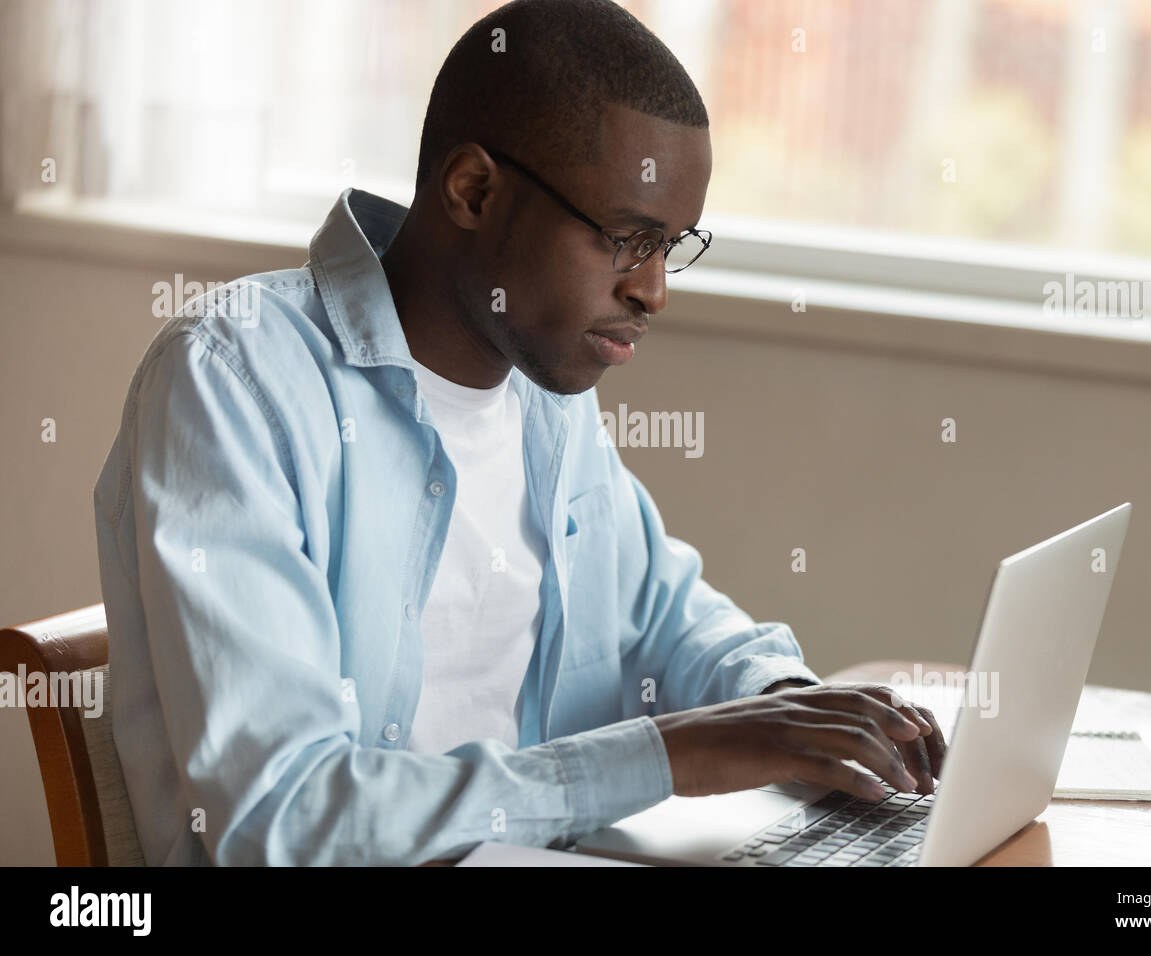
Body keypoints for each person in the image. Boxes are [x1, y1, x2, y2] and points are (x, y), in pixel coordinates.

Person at [93, 0, 944, 866]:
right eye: (625, 238)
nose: (654, 292)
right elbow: (280, 816)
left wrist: (791, 709)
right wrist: (670, 756)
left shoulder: (546, 389)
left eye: (671, 246)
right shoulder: (233, 381)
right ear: (473, 190)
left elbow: (660, 617)